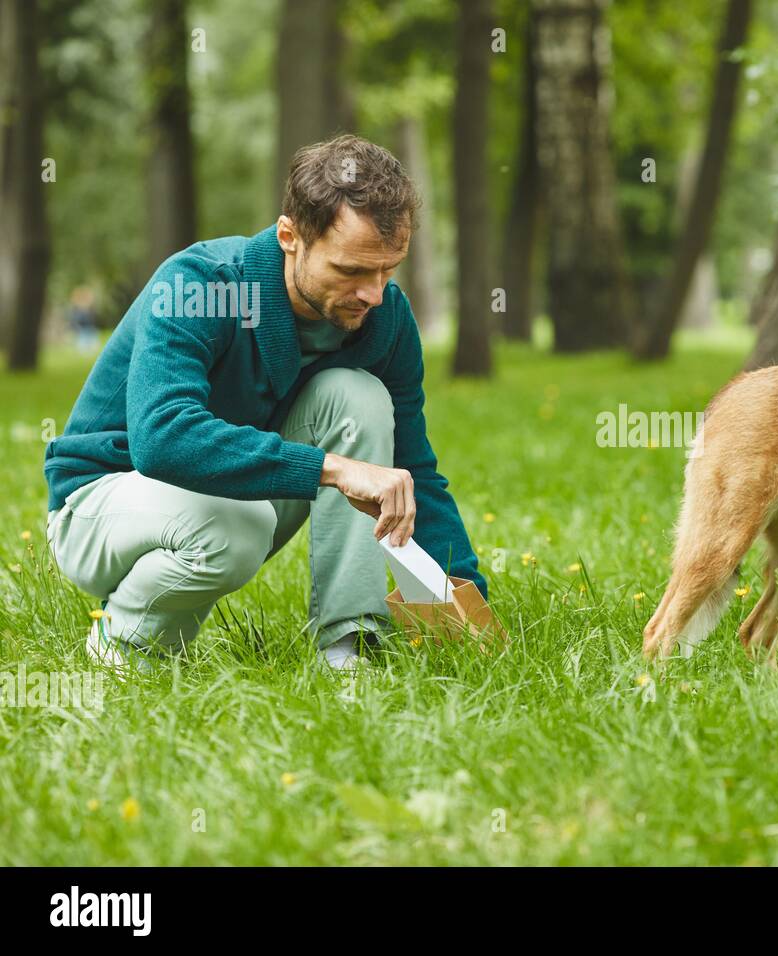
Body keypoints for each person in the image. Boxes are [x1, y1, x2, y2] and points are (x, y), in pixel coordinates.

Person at [43, 134, 487, 672]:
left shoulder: (384, 319)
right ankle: (124, 648)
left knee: (359, 396)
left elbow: (411, 469)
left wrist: (464, 596)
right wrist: (332, 468)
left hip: (233, 505)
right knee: (239, 525)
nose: (373, 292)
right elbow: (161, 438)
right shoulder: (201, 283)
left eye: (387, 269)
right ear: (289, 237)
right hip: (100, 506)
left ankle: (349, 649)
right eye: (350, 271)